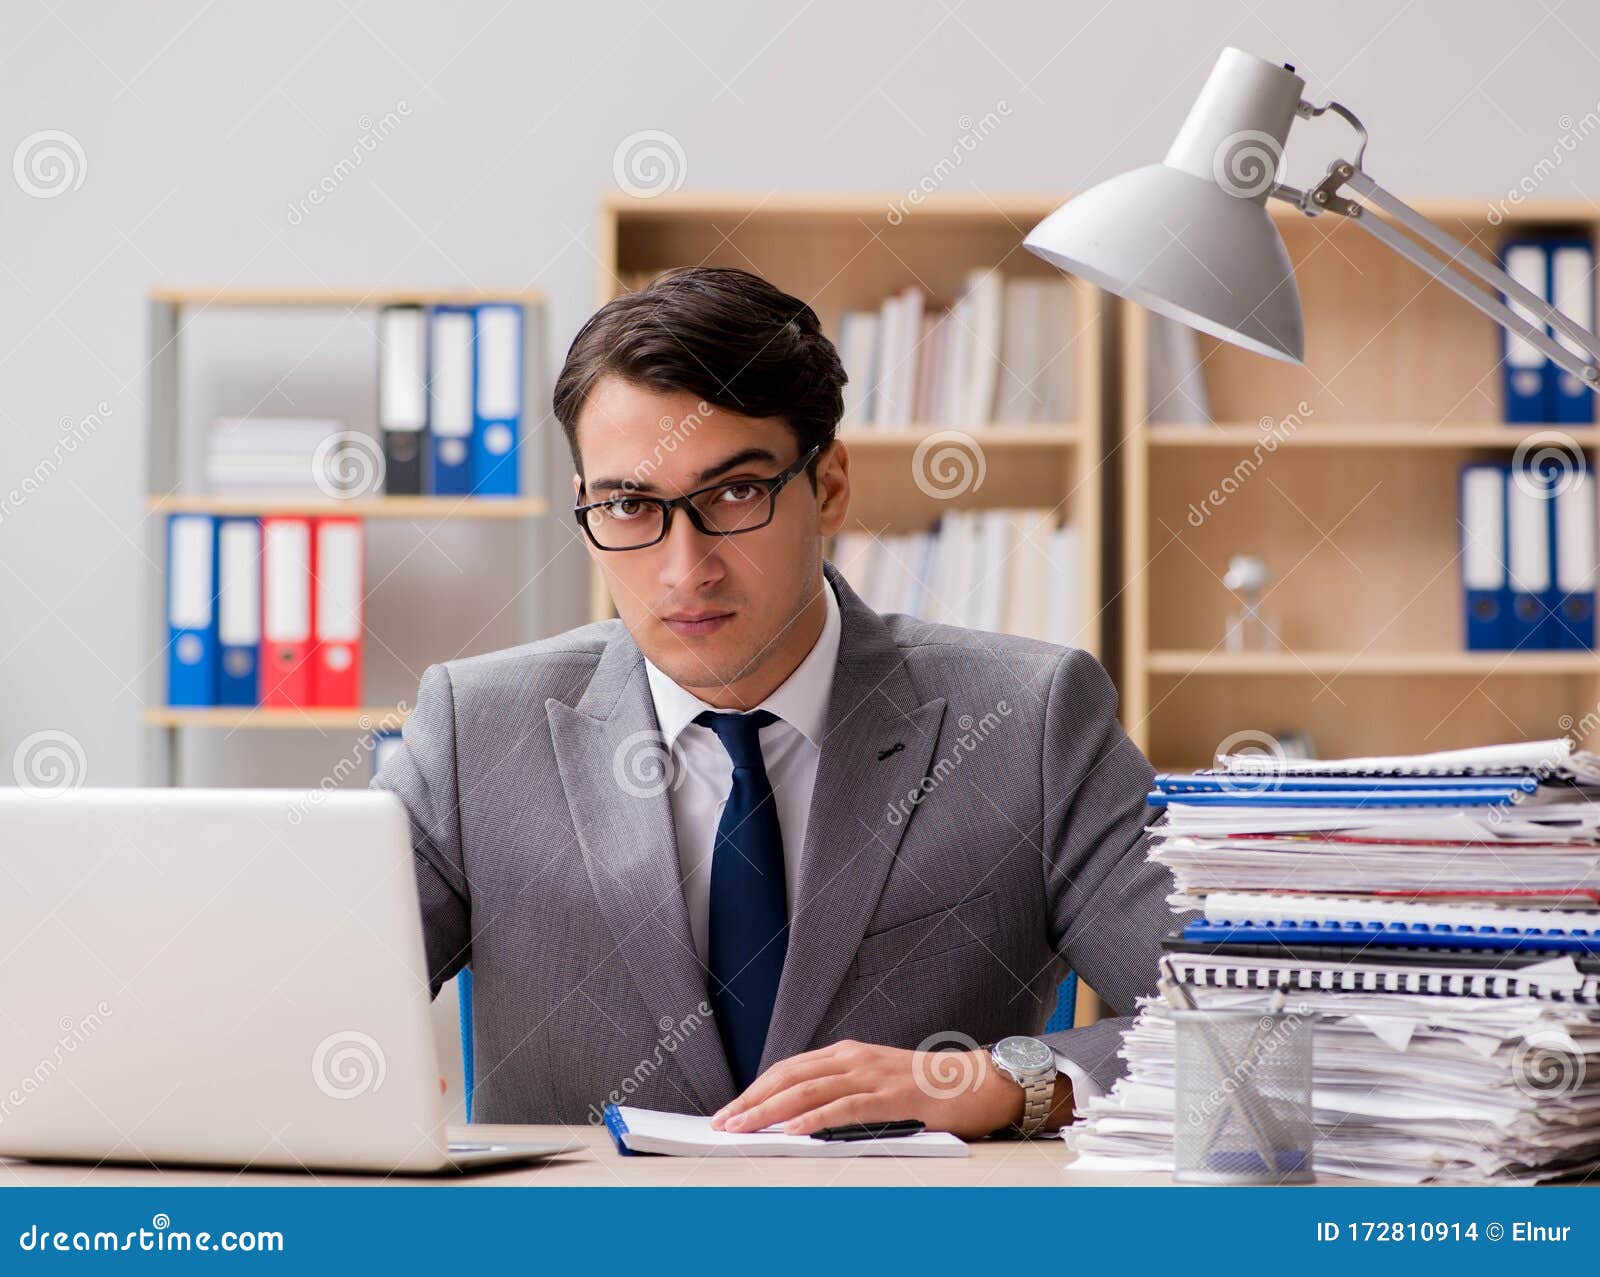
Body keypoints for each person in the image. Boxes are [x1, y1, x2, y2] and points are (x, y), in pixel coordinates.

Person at [374, 266, 1175, 1139]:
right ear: (586, 507)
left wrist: (996, 1082)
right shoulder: (476, 730)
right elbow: (298, 996)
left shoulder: (1030, 719)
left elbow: (1250, 1023)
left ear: (828, 485)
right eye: (631, 504)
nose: (685, 569)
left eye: (735, 493)